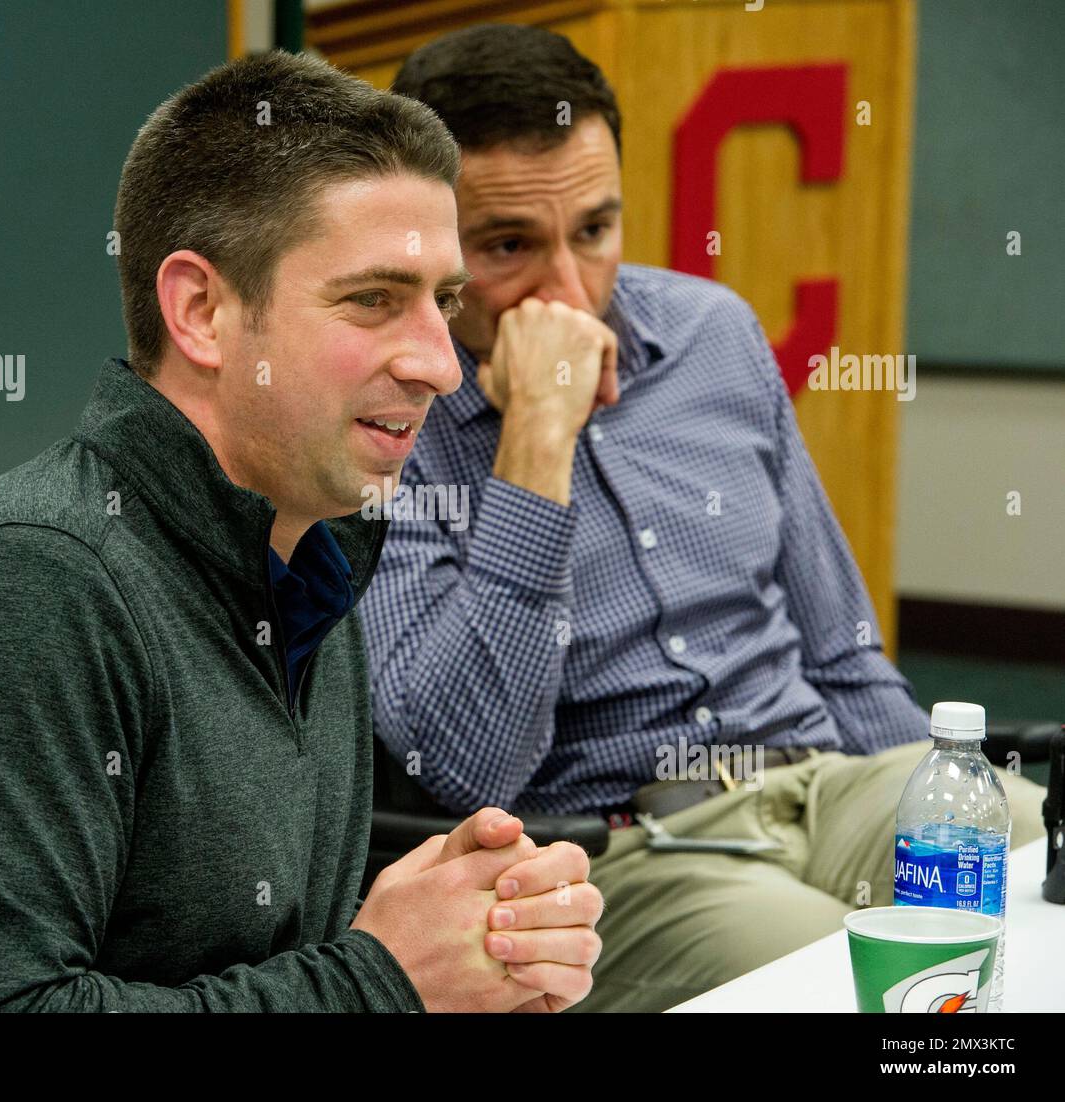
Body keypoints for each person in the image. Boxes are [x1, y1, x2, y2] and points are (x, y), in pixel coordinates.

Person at [0, 49, 603, 1014]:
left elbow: (258, 950)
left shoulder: (312, 554)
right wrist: (382, 981)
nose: (442, 365)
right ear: (202, 312)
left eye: (444, 301)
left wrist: (477, 927)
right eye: (374, 299)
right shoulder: (17, 593)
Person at [359, 24, 1047, 1012]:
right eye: (509, 245)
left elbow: (842, 654)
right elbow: (468, 768)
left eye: (593, 231)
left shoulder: (711, 333)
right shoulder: (394, 421)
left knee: (1029, 887)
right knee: (861, 985)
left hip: (825, 785)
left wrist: (935, 795)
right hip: (620, 846)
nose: (565, 289)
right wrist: (535, 443)